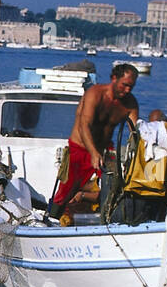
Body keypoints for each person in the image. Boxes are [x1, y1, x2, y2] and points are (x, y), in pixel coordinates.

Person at [53, 62, 139, 219]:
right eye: (124, 85)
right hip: (80, 148)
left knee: (112, 186)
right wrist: (93, 152)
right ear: (114, 78)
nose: (127, 90)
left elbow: (135, 132)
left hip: (104, 150)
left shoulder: (130, 104)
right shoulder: (95, 94)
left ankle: (103, 219)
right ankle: (52, 218)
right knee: (66, 190)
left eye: (131, 87)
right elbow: (84, 125)